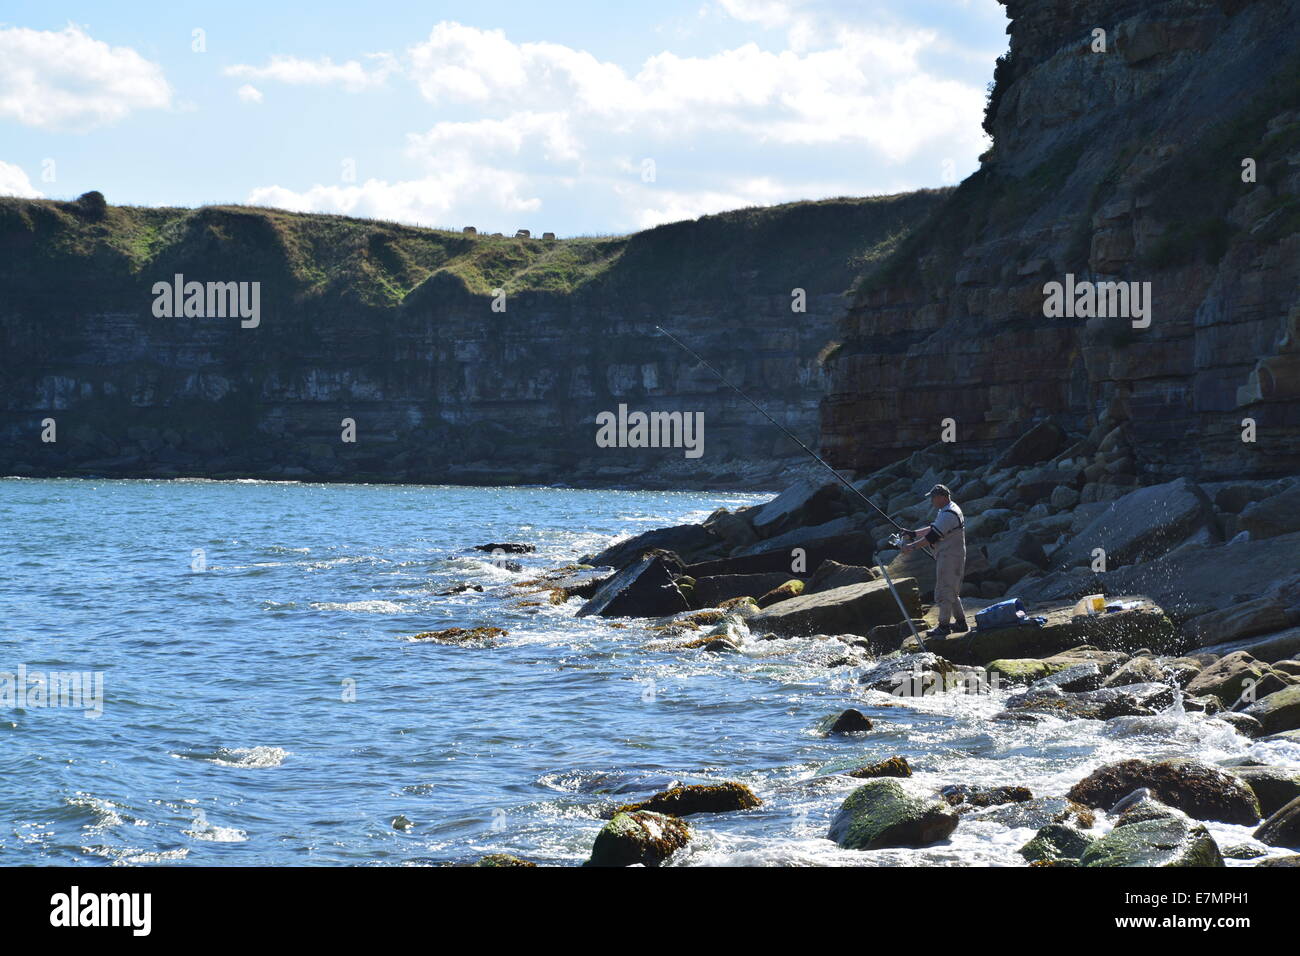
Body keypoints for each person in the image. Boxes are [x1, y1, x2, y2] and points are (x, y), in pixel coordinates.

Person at [901, 483, 967, 636]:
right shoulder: (948, 509)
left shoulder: (949, 513)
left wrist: (910, 547)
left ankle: (943, 626)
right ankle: (961, 623)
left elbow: (932, 537)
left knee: (944, 591)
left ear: (941, 497)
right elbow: (933, 528)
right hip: (952, 555)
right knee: (951, 590)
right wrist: (913, 533)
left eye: (933, 498)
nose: (931, 501)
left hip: (950, 557)